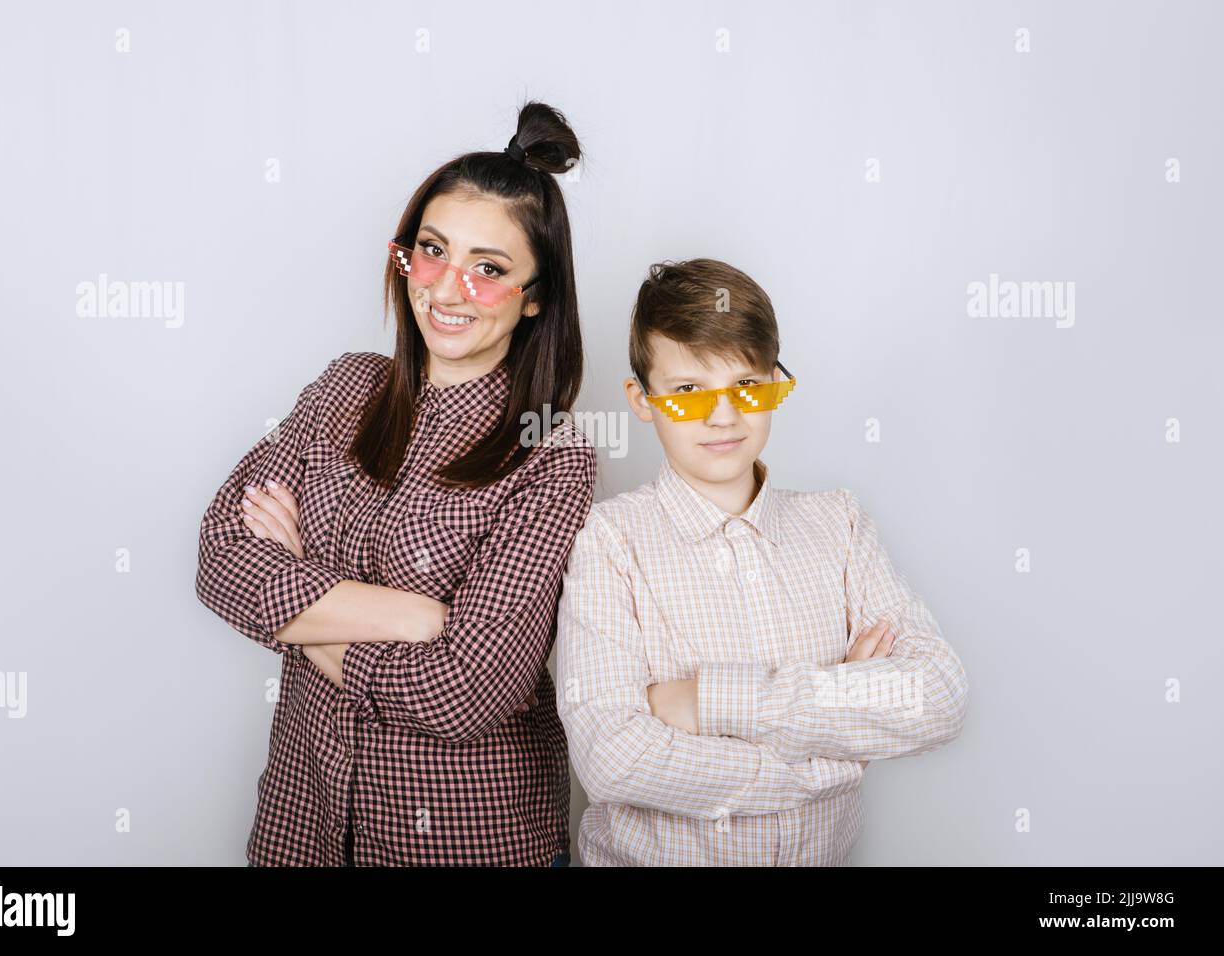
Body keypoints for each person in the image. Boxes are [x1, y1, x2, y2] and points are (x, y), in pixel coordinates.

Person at [196, 101, 596, 866]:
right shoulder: (344, 387)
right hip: (302, 822)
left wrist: (300, 600)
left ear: (536, 295)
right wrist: (412, 614)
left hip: (464, 840)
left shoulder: (551, 454)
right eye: (432, 251)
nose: (447, 290)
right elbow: (220, 561)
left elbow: (469, 689)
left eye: (490, 269)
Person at [555, 258, 969, 866]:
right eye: (688, 392)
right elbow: (614, 759)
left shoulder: (839, 523)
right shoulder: (610, 541)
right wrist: (826, 752)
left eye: (746, 384)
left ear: (775, 379)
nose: (723, 416)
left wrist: (707, 702)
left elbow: (938, 697)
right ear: (642, 401)